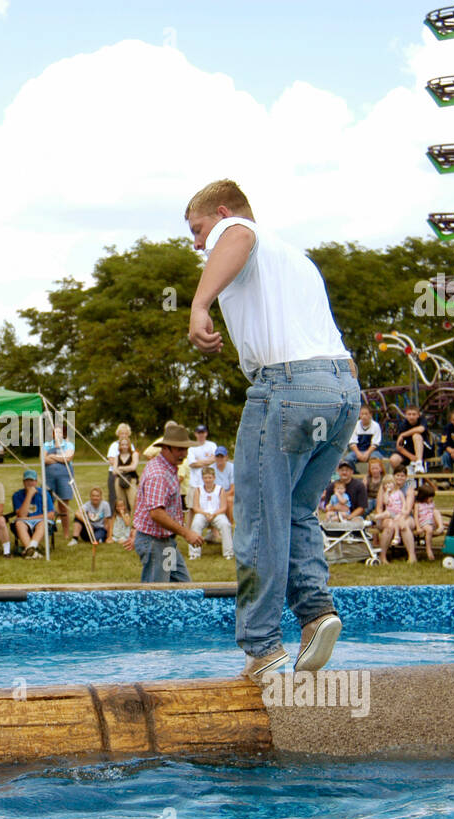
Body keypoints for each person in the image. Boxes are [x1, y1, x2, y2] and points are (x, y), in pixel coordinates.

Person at [185, 178, 359, 678]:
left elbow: (235, 237)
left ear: (220, 212)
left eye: (198, 230)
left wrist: (199, 305)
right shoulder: (296, 259)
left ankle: (261, 648)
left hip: (287, 387)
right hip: (342, 389)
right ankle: (317, 614)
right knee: (297, 509)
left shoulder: (237, 230)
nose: (199, 244)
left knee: (259, 516)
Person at [126, 421, 204, 582]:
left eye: (186, 449)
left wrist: (135, 527)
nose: (184, 453)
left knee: (183, 587)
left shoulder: (165, 466)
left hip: (165, 541)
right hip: (154, 543)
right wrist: (186, 532)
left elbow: (140, 498)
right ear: (166, 448)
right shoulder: (159, 474)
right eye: (179, 449)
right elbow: (156, 513)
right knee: (157, 596)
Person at [42, 421, 76, 544]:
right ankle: (47, 530)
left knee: (64, 506)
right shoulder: (46, 445)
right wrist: (59, 458)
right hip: (49, 478)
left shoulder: (69, 445)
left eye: (60, 432)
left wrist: (52, 458)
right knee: (48, 504)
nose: (58, 434)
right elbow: (43, 459)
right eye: (55, 431)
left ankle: (66, 532)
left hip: (65, 477)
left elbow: (68, 458)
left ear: (64, 433)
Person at [189, 467, 233, 559]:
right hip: (202, 514)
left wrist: (214, 514)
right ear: (202, 478)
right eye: (205, 478)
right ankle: (194, 553)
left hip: (217, 514)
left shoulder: (220, 489)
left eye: (210, 477)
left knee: (225, 524)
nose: (208, 480)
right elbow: (196, 507)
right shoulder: (198, 490)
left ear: (214, 478)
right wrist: (205, 514)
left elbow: (223, 507)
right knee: (195, 524)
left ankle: (228, 553)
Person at [373, 474, 416, 563]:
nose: (400, 478)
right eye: (397, 475)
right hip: (389, 514)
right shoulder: (384, 491)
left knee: (403, 525)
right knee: (389, 525)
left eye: (402, 475)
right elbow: (381, 505)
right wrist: (386, 493)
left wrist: (402, 515)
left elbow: (406, 507)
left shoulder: (405, 490)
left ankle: (412, 556)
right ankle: (382, 556)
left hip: (401, 515)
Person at [12, 469, 53, 557]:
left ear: (36, 482)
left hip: (40, 520)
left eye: (32, 480)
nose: (30, 483)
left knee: (42, 523)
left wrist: (30, 518)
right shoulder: (17, 495)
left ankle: (31, 547)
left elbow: (50, 514)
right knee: (19, 523)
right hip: (24, 521)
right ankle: (32, 551)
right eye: (27, 480)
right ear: (23, 482)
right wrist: (29, 495)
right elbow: (22, 515)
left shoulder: (44, 493)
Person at [390, 406, 430, 474]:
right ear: (406, 415)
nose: (411, 417)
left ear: (418, 415)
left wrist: (403, 434)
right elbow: (399, 446)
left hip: (423, 449)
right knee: (393, 459)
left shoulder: (422, 420)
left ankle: (419, 464)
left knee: (416, 436)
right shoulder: (403, 425)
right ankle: (400, 476)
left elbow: (421, 429)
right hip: (409, 450)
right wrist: (410, 456)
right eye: (409, 414)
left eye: (414, 414)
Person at [344, 405, 384, 470]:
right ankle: (354, 472)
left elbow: (375, 443)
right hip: (358, 450)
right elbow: (352, 442)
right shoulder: (355, 425)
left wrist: (367, 453)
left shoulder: (376, 426)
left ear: (370, 415)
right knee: (348, 459)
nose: (364, 416)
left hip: (372, 452)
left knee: (375, 459)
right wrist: (358, 454)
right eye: (362, 414)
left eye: (366, 414)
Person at [412, 480, 444, 561]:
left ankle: (441, 526)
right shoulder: (418, 505)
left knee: (436, 511)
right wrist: (418, 527)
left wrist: (437, 522)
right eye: (430, 497)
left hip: (432, 521)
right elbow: (416, 516)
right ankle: (428, 549)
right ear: (423, 497)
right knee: (429, 529)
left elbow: (434, 514)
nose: (431, 499)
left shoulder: (431, 503)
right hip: (424, 523)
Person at [106, 424, 135, 507]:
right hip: (114, 475)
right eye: (122, 433)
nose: (124, 435)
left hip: (128, 474)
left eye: (125, 433)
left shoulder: (131, 446)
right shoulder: (114, 445)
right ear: (118, 434)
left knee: (128, 499)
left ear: (128, 434)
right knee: (114, 498)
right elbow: (111, 460)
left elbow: (133, 459)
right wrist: (121, 466)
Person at [110, 434, 140, 512]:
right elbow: (114, 471)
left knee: (133, 503)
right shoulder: (117, 456)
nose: (124, 446)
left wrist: (121, 468)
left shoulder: (134, 454)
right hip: (119, 481)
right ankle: (124, 521)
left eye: (126, 444)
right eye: (122, 444)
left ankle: (134, 522)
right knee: (121, 504)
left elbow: (133, 467)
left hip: (131, 480)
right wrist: (126, 468)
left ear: (129, 445)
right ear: (120, 445)